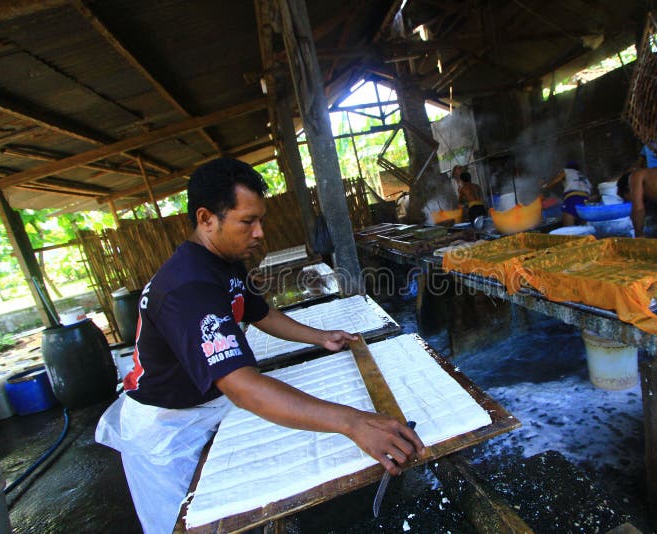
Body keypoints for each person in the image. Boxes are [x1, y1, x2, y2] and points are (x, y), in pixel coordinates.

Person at [95, 158, 424, 533]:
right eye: (247, 221)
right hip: (168, 429)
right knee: (189, 523)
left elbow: (259, 311)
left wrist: (319, 337)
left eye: (260, 220)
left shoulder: (224, 260)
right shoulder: (189, 288)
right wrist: (354, 422)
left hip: (205, 404)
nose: (259, 232)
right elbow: (241, 386)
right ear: (206, 219)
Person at [541, 162, 592, 226]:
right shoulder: (583, 176)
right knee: (582, 225)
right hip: (585, 198)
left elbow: (557, 180)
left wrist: (545, 186)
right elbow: (590, 188)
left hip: (573, 198)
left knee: (568, 226)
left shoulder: (567, 171)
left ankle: (569, 235)